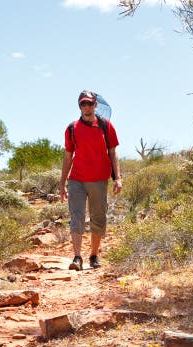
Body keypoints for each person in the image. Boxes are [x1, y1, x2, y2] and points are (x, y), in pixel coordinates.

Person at [60, 90, 122, 271]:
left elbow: (113, 152)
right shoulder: (72, 128)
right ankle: (77, 257)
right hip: (77, 179)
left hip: (99, 179)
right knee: (76, 216)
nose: (86, 107)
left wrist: (117, 178)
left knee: (98, 217)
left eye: (89, 104)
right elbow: (68, 156)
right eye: (83, 104)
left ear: (95, 105)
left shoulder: (106, 126)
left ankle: (94, 256)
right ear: (79, 106)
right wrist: (62, 183)